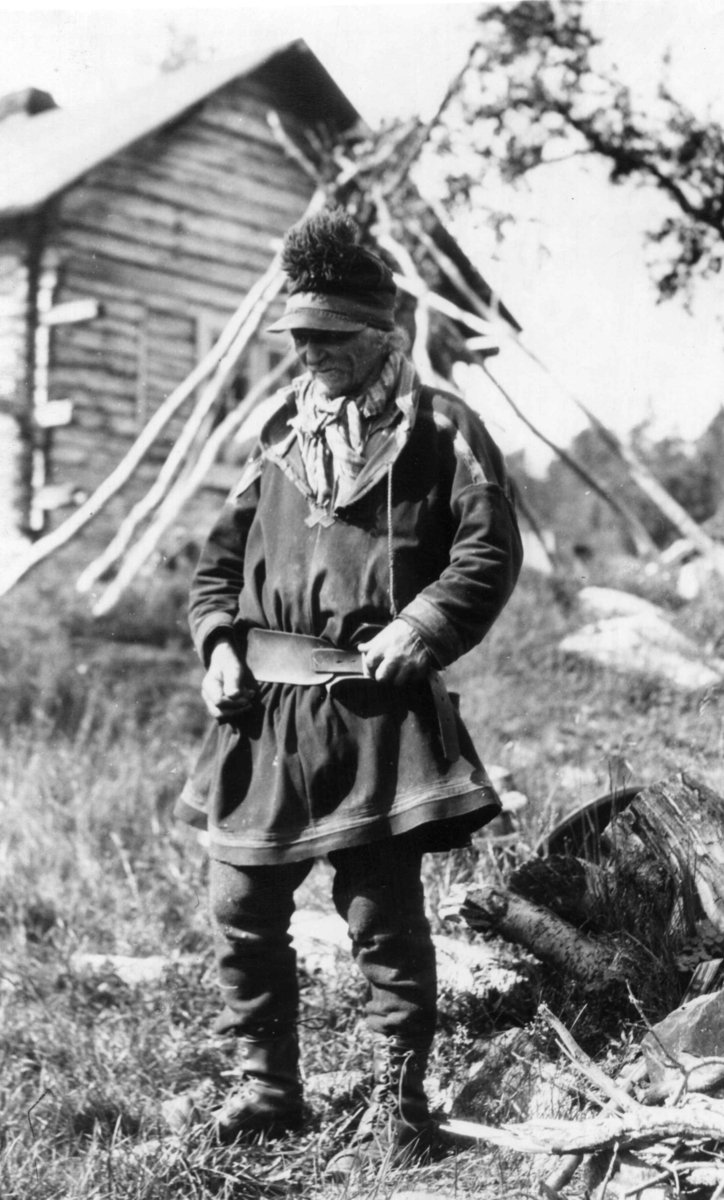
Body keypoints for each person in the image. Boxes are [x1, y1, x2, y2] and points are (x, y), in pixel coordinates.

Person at [175, 207, 522, 1173]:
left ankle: (397, 1104)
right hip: (265, 716)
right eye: (299, 338)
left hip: (374, 707)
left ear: (383, 336)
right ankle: (267, 1088)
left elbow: (488, 551)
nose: (311, 354)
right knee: (239, 904)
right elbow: (215, 567)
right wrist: (217, 646)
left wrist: (422, 625)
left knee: (380, 919)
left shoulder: (443, 428)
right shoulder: (279, 432)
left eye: (331, 336)